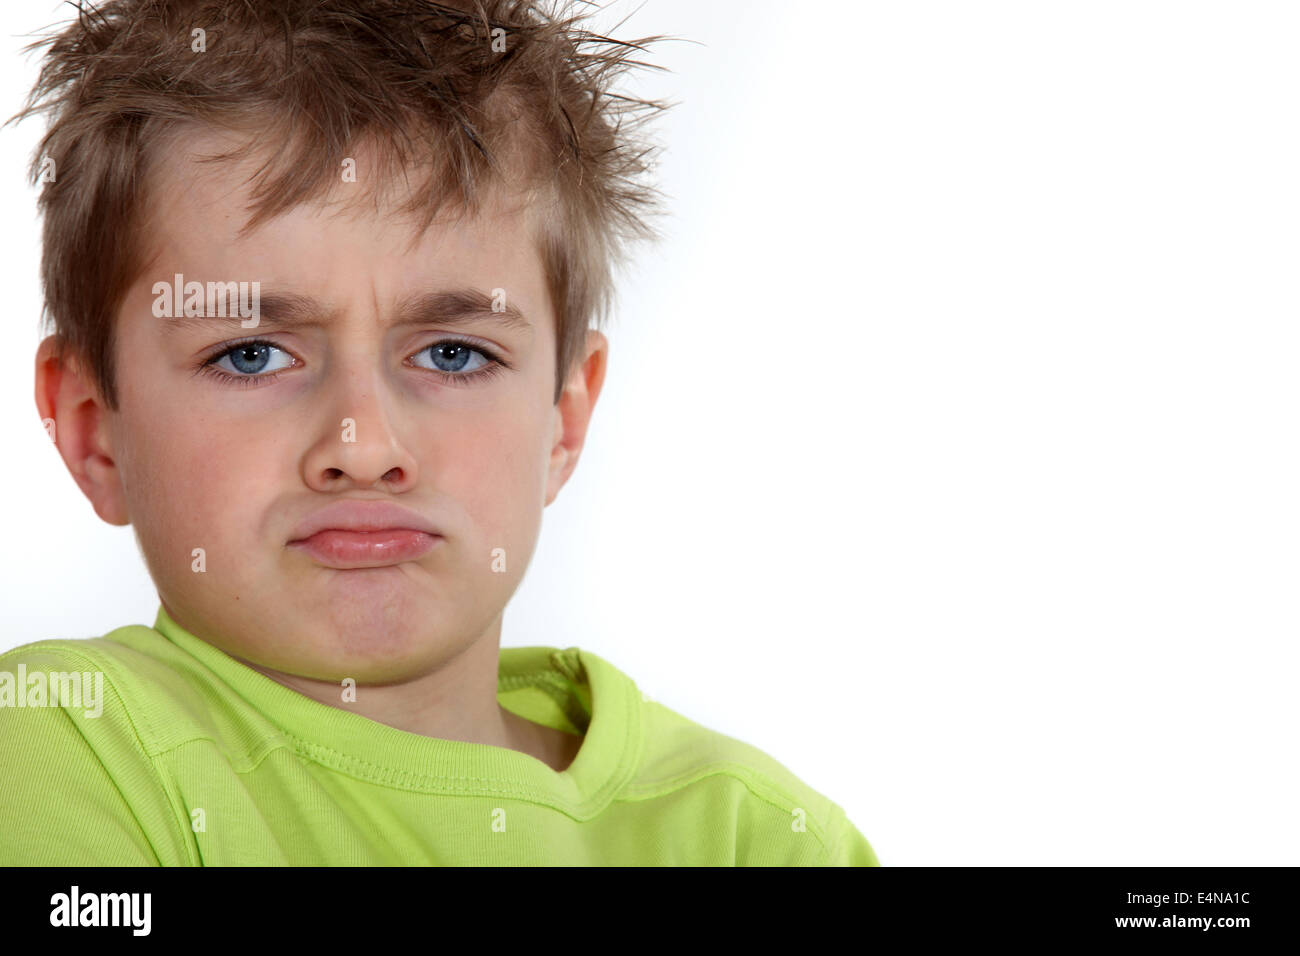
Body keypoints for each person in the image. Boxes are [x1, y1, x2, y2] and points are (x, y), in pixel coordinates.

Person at [1, 0, 880, 866]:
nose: (364, 445)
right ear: (93, 432)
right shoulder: (64, 745)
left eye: (454, 354)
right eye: (253, 356)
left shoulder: (753, 835)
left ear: (564, 420)